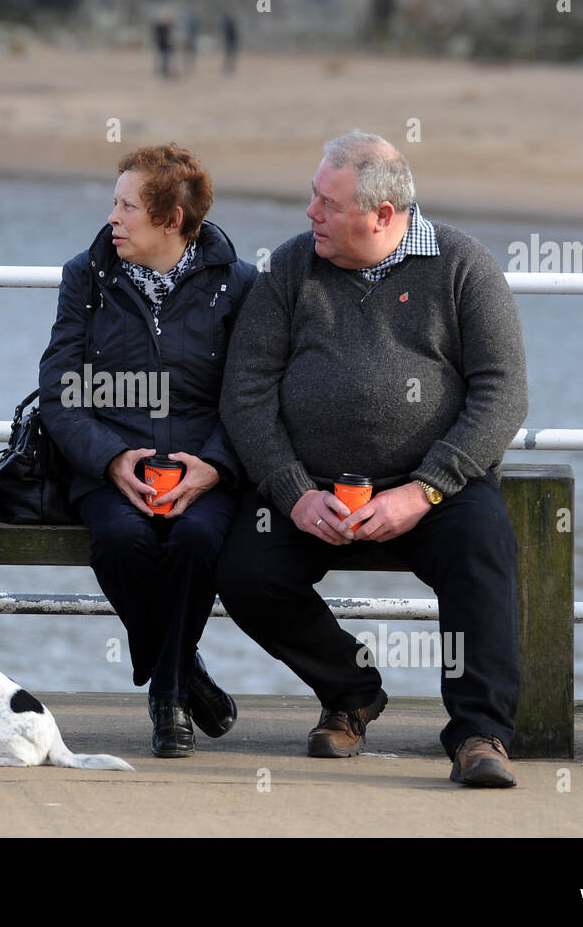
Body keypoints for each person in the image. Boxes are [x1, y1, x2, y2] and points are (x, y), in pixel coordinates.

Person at [217, 130, 528, 787]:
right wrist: (294, 490)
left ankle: (480, 732)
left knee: (483, 550)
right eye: (312, 197)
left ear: (383, 215)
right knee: (246, 570)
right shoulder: (290, 268)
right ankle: (352, 690)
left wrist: (424, 490)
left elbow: (503, 396)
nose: (310, 214)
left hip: (435, 487)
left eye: (327, 203)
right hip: (312, 486)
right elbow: (245, 396)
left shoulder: (464, 266)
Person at [39, 144, 257, 757]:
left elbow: (251, 395)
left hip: (204, 468)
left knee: (195, 540)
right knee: (120, 539)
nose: (112, 218)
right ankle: (183, 680)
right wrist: (111, 459)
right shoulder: (86, 277)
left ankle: (168, 696)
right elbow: (60, 391)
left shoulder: (238, 286)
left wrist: (212, 467)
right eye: (114, 203)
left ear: (171, 221)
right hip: (106, 467)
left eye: (126, 207)